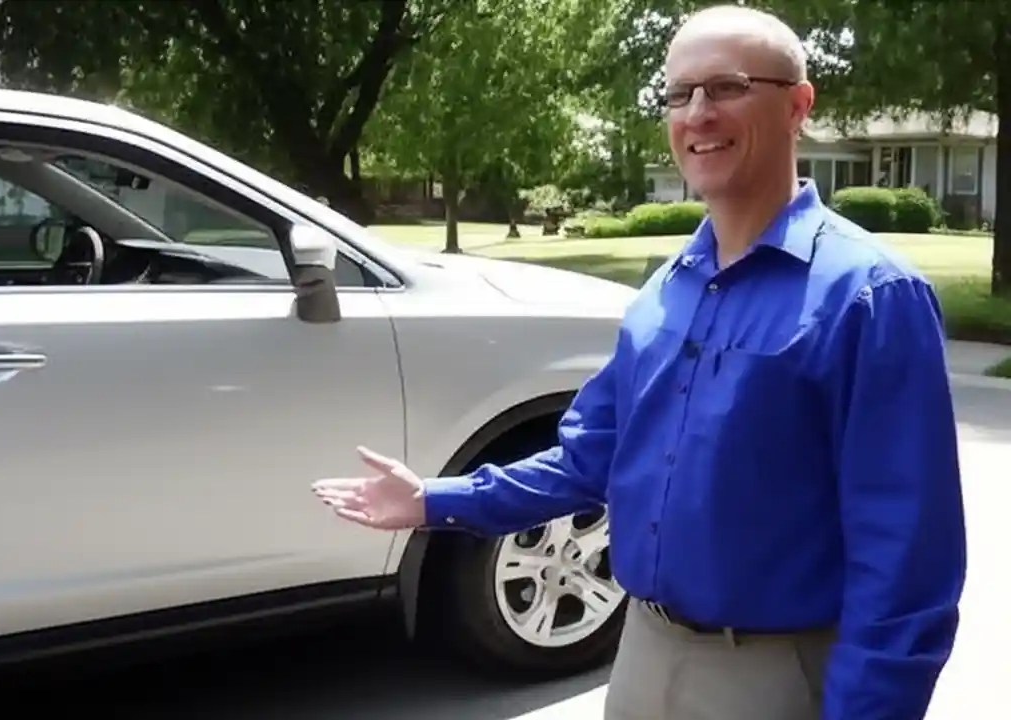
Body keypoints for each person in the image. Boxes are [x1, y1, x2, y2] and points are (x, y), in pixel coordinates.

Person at [311, 5, 967, 719]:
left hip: (777, 672)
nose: (698, 113)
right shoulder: (665, 290)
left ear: (797, 106)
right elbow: (590, 456)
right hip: (644, 655)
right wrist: (435, 500)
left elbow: (906, 563)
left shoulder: (871, 297)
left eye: (727, 87)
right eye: (679, 94)